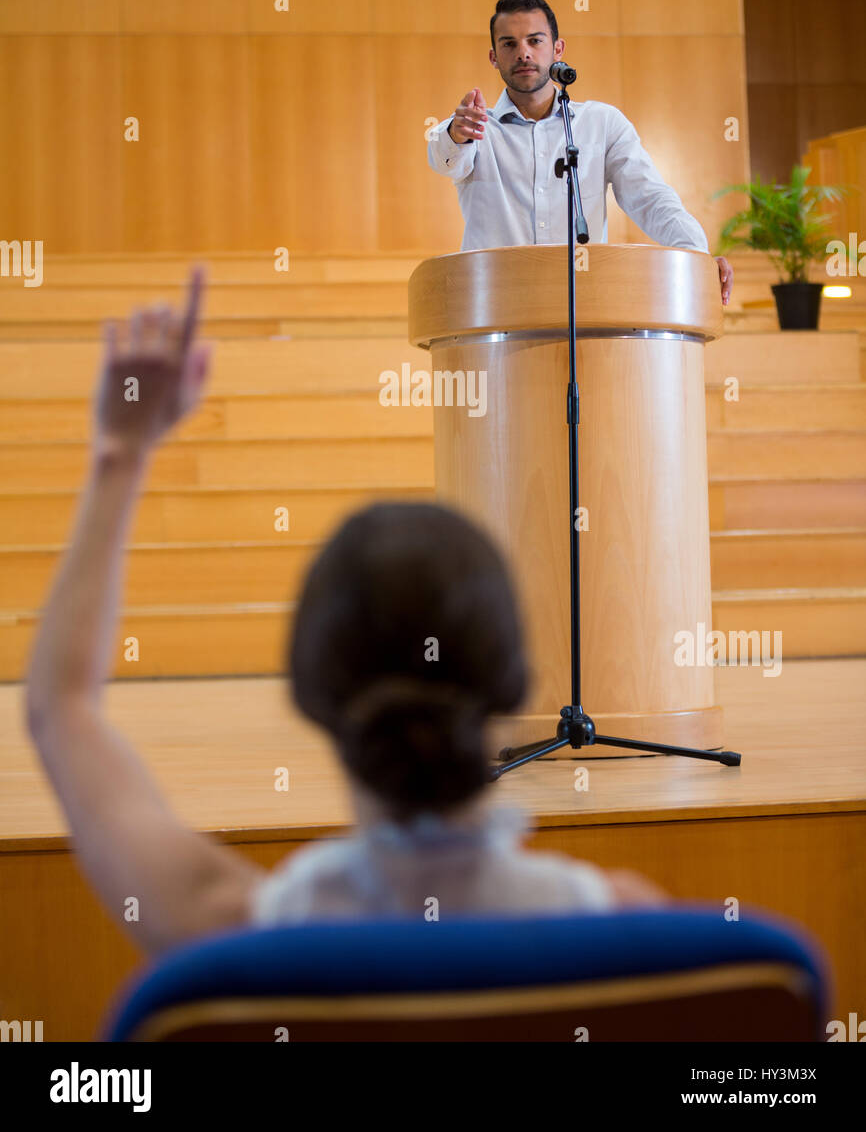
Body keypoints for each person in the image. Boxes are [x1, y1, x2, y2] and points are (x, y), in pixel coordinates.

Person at [25, 268, 666, 960]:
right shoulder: (633, 931)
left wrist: (121, 453)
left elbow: (60, 710)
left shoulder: (235, 932)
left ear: (311, 694)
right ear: (514, 677)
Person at [428, 0, 734, 306]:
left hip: (582, 307)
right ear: (493, 57)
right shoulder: (475, 126)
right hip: (493, 306)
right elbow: (445, 158)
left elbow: (649, 197)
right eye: (509, 44)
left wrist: (696, 256)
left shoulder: (601, 123)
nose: (523, 53)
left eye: (535, 41)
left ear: (557, 49)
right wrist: (457, 132)